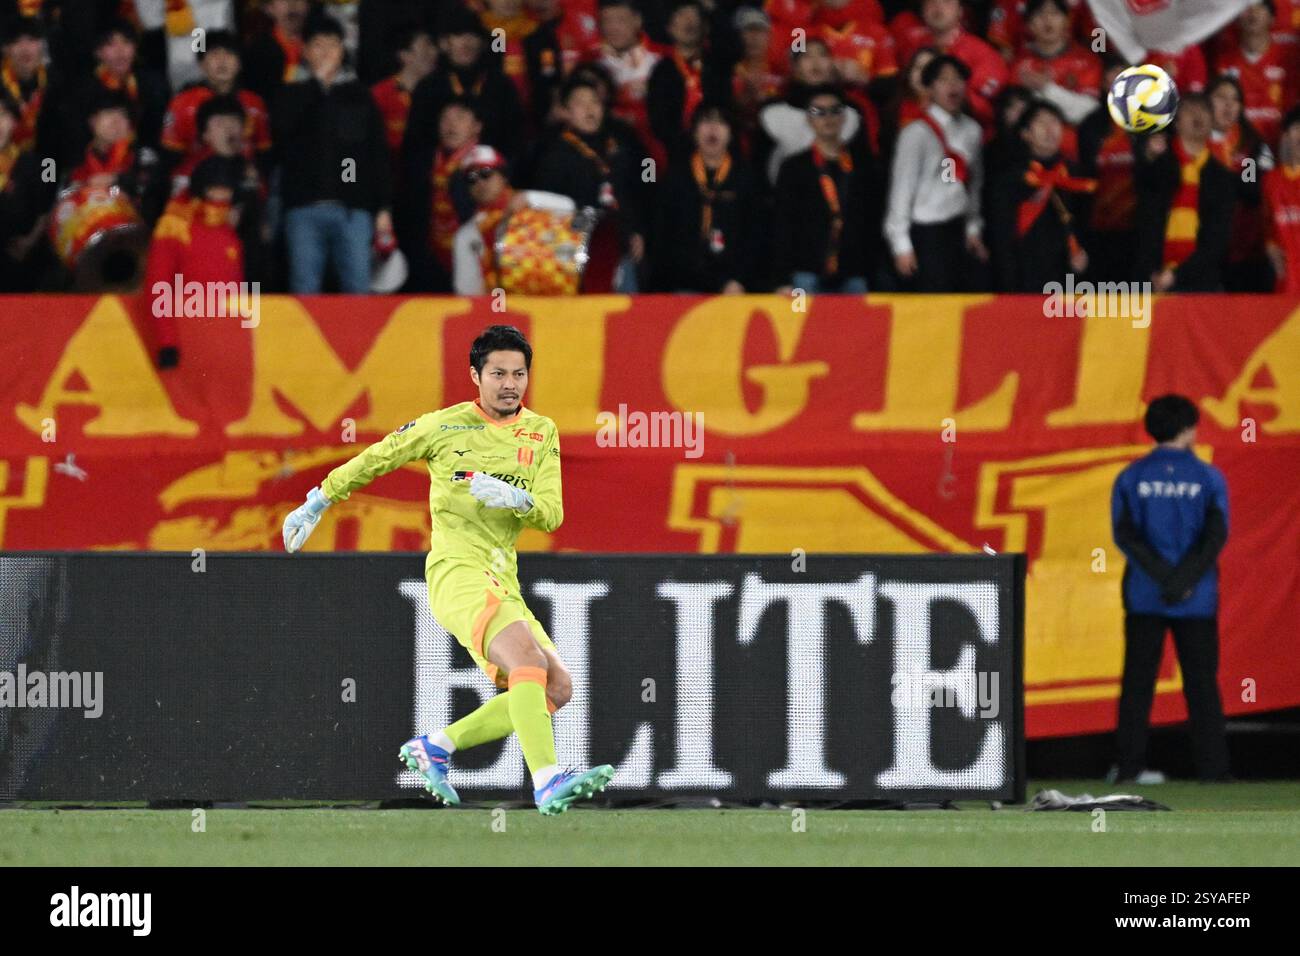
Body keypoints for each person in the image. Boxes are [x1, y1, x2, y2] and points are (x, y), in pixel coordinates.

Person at [281, 324, 615, 815]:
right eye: (498, 373)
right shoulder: (445, 426)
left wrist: (518, 498)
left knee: (557, 688)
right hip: (457, 572)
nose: (510, 384)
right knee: (527, 660)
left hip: (504, 579)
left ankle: (435, 747)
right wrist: (319, 499)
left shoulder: (541, 432)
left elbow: (553, 513)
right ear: (475, 376)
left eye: (519, 374)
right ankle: (546, 781)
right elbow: (381, 457)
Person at [1110, 394, 1232, 784]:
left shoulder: (1131, 477)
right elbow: (1216, 536)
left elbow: (1125, 535)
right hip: (1195, 598)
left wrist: (1163, 578)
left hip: (1146, 594)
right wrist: (1183, 581)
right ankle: (1214, 772)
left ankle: (1128, 769)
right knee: (1202, 684)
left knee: (1137, 684)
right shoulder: (1208, 478)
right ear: (1189, 429)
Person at [273, 14, 393, 293]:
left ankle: (359, 339)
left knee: (358, 290)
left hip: (353, 210)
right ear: (304, 51)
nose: (326, 52)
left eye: (333, 45)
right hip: (303, 208)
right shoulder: (290, 94)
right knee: (305, 291)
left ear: (343, 51)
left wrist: (384, 207)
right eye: (318, 45)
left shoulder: (360, 96)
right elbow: (282, 133)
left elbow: (377, 154)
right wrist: (317, 85)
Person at [884, 54, 985, 291]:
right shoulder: (915, 133)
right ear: (929, 88)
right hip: (926, 234)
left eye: (958, 79)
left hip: (958, 228)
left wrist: (973, 227)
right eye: (943, 80)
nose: (952, 86)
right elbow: (901, 190)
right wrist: (901, 245)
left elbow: (974, 183)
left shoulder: (972, 130)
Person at [144, 155, 247, 369]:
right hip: (184, 342)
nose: (222, 195)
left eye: (227, 189)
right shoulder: (174, 226)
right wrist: (167, 342)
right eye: (215, 188)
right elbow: (158, 285)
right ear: (202, 189)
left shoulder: (228, 231)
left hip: (225, 346)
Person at [772, 85, 872, 293]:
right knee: (800, 325)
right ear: (808, 119)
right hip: (805, 272)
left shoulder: (864, 166)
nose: (828, 117)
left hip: (853, 272)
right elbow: (783, 223)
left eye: (835, 110)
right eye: (819, 112)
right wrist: (782, 277)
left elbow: (871, 218)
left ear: (844, 118)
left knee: (855, 327)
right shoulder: (793, 167)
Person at [987, 101, 1094, 291]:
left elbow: (1085, 223)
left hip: (1068, 278)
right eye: (1041, 123)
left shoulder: (1075, 174)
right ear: (1025, 133)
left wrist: (1083, 253)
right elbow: (1002, 236)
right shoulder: (1010, 178)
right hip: (1023, 277)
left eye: (1054, 122)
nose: (1049, 129)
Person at [1135, 93, 1236, 293]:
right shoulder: (1159, 164)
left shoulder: (1222, 177)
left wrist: (1177, 274)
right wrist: (1149, 156)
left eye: (1204, 111)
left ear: (1212, 121)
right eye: (1190, 110)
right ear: (1177, 123)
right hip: (1151, 280)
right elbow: (1145, 220)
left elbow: (1217, 240)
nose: (1198, 115)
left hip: (1201, 284)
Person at [655, 103, 761, 292]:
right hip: (684, 284)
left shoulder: (747, 178)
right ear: (694, 133)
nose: (713, 128)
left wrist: (738, 280)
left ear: (731, 134)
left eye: (721, 122)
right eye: (706, 122)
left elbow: (755, 237)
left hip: (736, 286)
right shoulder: (676, 177)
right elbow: (666, 239)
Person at [451, 145, 575, 295]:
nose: (480, 183)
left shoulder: (530, 204)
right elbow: (466, 291)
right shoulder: (467, 234)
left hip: (550, 297)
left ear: (503, 176)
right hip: (500, 307)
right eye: (471, 178)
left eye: (486, 173)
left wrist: (529, 198)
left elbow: (570, 208)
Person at [1264, 105, 1300, 291]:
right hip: (1285, 284)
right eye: (1296, 128)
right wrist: (1270, 246)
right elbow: (1267, 224)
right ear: (1286, 136)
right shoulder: (1271, 180)